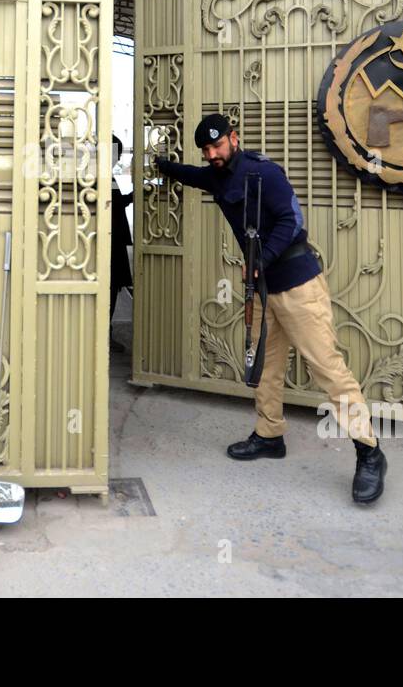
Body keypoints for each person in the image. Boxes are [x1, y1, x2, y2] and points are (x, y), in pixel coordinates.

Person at [153, 114, 387, 504]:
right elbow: (192, 175)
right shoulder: (217, 174)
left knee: (328, 368)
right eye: (207, 150)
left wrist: (263, 257)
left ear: (234, 138)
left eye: (218, 146)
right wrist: (161, 165)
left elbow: (291, 220)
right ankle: (269, 435)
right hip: (263, 289)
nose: (213, 154)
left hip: (297, 284)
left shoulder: (265, 173)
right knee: (265, 367)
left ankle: (369, 451)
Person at [108, 135, 134, 352]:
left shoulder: (106, 177)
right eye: (116, 153)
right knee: (110, 288)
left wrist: (132, 197)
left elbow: (115, 204)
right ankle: (104, 335)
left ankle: (106, 334)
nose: (117, 159)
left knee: (113, 288)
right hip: (109, 242)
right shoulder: (96, 177)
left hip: (114, 240)